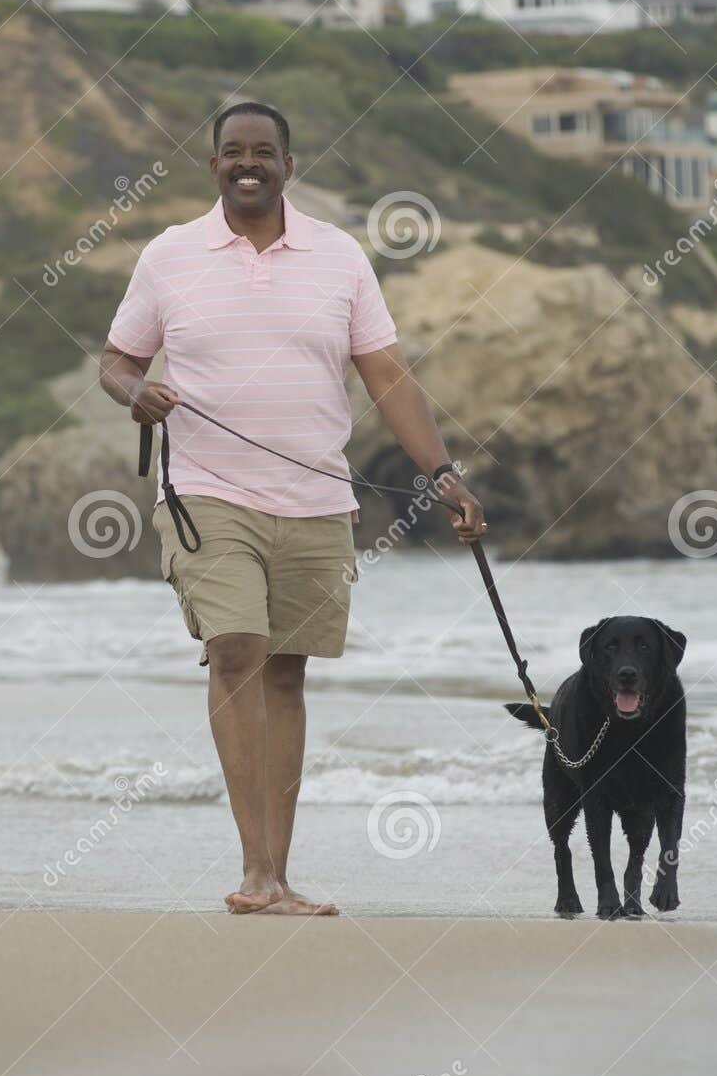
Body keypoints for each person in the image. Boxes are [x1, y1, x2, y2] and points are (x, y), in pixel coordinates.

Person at [100, 101, 485, 917]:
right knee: (236, 650)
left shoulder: (338, 257)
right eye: (232, 151)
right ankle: (255, 874)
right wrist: (135, 392)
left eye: (263, 151)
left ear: (287, 162)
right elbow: (117, 360)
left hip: (314, 499)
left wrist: (441, 472)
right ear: (213, 164)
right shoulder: (169, 255)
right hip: (204, 494)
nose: (248, 163)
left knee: (285, 671)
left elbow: (385, 374)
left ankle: (277, 872)